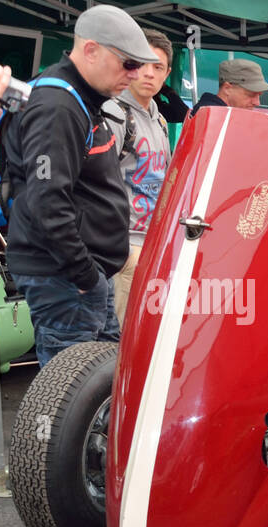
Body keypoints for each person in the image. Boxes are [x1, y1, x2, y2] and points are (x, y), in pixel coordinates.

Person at [1, 5, 159, 367]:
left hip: (80, 273)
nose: (135, 75)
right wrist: (84, 273)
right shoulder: (59, 105)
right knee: (68, 399)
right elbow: (47, 202)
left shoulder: (78, 98)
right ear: (91, 50)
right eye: (129, 64)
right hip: (66, 275)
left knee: (98, 388)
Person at [106, 29, 173, 324]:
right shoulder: (114, 112)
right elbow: (97, 181)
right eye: (142, 64)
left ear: (167, 73)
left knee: (147, 334)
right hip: (124, 243)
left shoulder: (158, 118)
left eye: (158, 67)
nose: (149, 74)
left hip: (153, 241)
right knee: (124, 337)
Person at [190, 59, 268, 114]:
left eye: (259, 95)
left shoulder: (214, 113)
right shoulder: (211, 115)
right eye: (251, 94)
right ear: (227, 88)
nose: (257, 103)